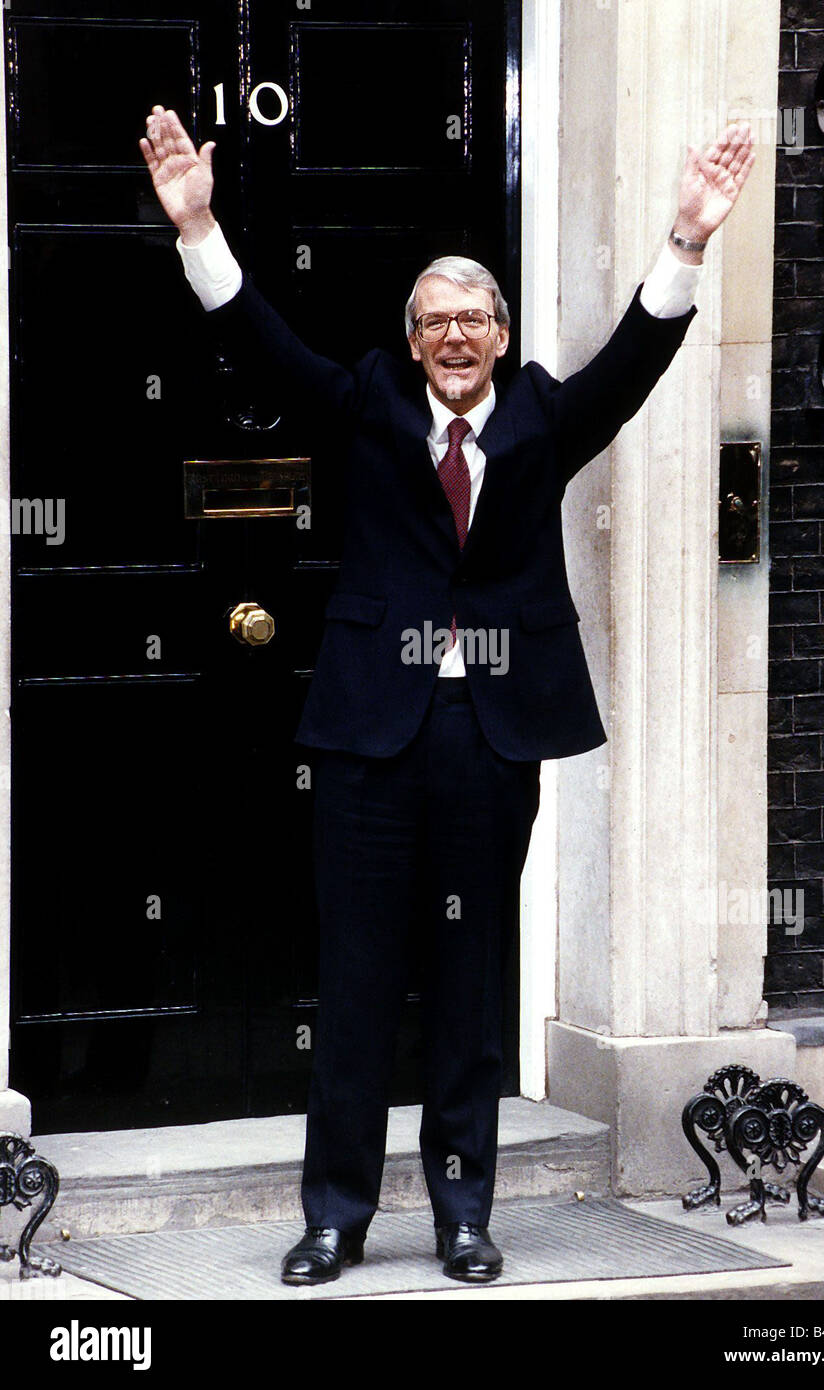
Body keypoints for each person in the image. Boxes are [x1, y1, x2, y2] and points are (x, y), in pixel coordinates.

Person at [140, 106, 754, 1285]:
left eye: (475, 316)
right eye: (436, 320)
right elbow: (265, 343)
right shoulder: (369, 404)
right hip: (373, 737)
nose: (456, 335)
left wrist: (686, 239)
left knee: (472, 989)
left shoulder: (541, 419)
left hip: (488, 734)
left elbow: (635, 359)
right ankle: (335, 1217)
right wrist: (200, 226)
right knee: (360, 980)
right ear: (411, 339)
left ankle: (466, 1214)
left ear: (503, 333)